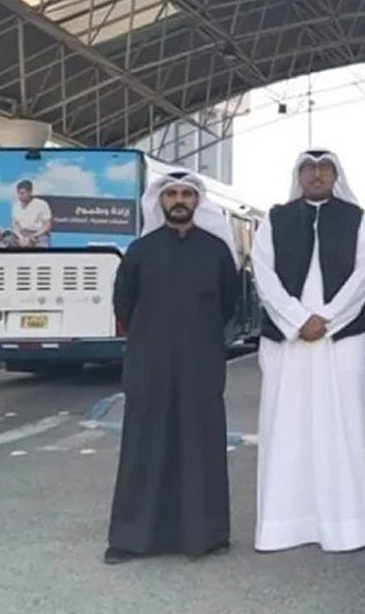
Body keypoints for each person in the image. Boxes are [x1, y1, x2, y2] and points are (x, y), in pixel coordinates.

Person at [104, 170, 239, 565]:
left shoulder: (216, 251)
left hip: (201, 363)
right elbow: (123, 303)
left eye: (186, 194)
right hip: (150, 363)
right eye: (171, 194)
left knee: (200, 445)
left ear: (197, 202)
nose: (179, 200)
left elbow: (228, 303)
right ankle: (130, 539)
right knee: (144, 444)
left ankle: (205, 536)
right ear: (160, 202)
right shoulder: (141, 251)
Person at [251, 149, 365, 553]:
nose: (317, 175)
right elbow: (263, 274)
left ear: (335, 175)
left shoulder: (356, 219)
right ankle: (282, 526)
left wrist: (325, 318)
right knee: (285, 430)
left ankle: (346, 527)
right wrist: (296, 319)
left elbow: (364, 275)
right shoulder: (276, 218)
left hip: (339, 341)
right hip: (288, 343)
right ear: (299, 175)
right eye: (309, 168)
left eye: (325, 169)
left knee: (341, 429)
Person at [12, 180, 52, 248]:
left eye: (23, 193)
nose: (20, 196)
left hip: (38, 235)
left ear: (30, 192)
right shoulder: (16, 206)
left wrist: (33, 236)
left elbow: (47, 225)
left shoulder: (41, 204)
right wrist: (21, 238)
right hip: (22, 235)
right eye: (18, 193)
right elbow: (15, 225)